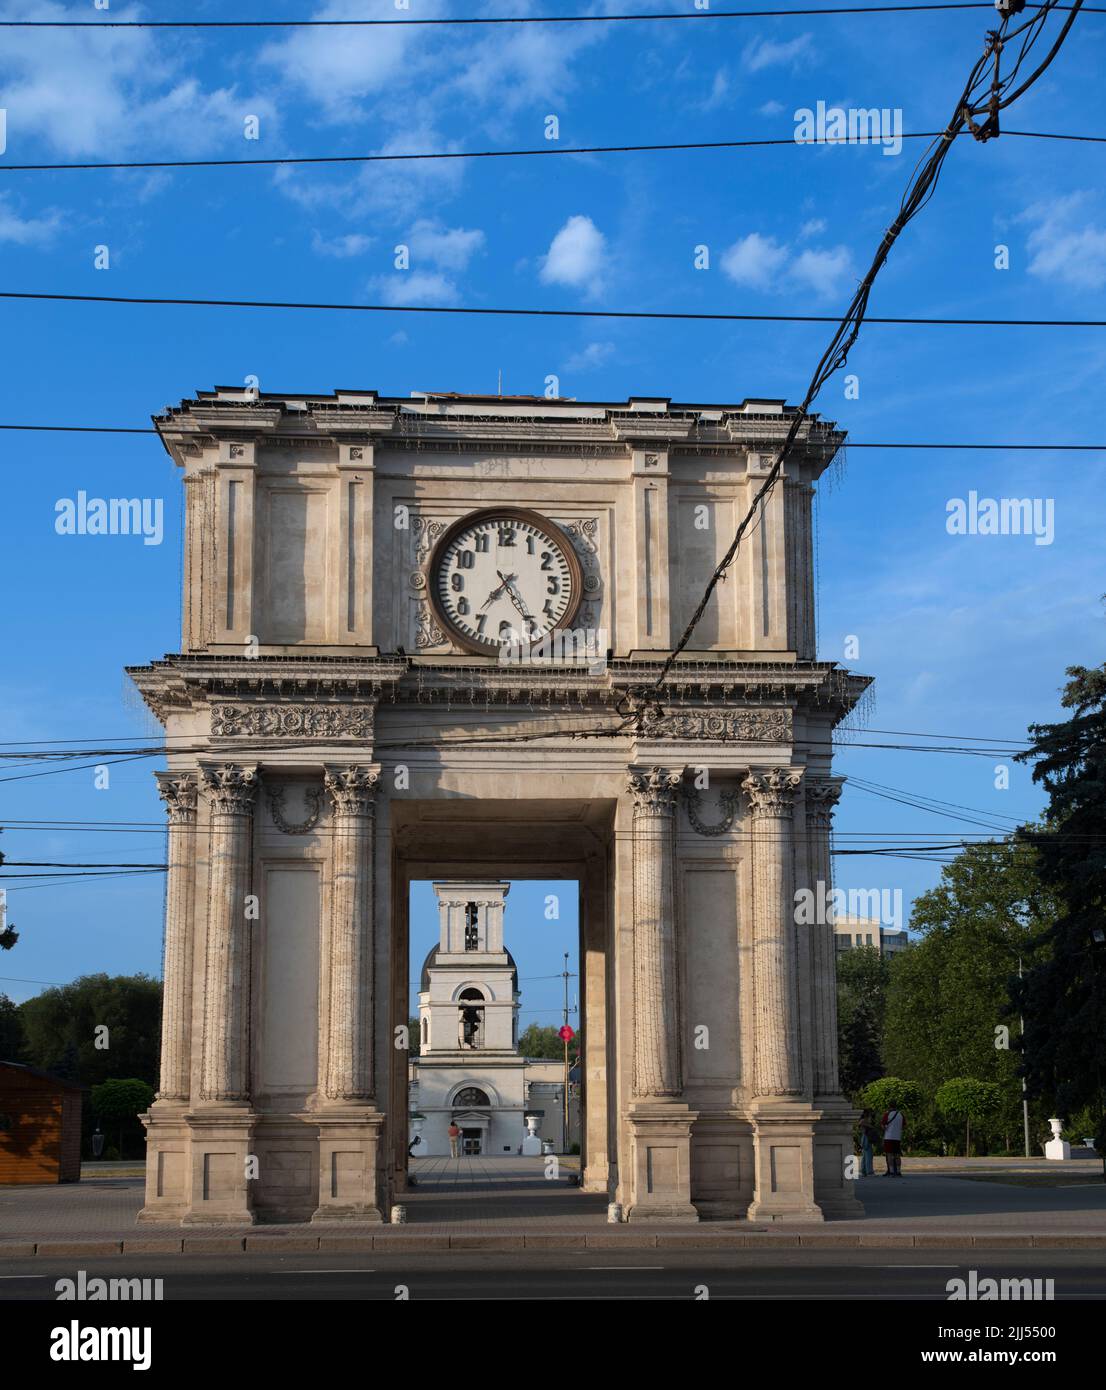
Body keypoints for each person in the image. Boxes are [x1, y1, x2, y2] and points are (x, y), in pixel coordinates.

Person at [881, 1102, 905, 1176]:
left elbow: (883, 1125)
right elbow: (904, 1126)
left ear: (889, 1107)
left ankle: (891, 1171)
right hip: (897, 1137)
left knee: (889, 1155)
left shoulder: (887, 1114)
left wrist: (885, 1128)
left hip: (888, 1137)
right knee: (897, 1155)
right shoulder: (901, 1115)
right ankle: (898, 1171)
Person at [858, 1109, 876, 1177]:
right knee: (868, 1155)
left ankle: (864, 1171)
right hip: (866, 1137)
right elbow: (871, 1127)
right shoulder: (864, 1120)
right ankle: (869, 1171)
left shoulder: (863, 1120)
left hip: (864, 1137)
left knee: (865, 1155)